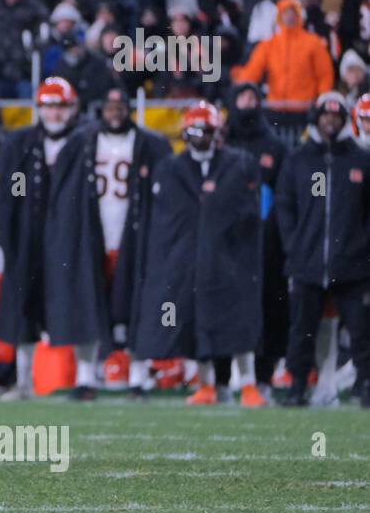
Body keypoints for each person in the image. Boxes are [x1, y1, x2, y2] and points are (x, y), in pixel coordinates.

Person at [133, 102, 266, 407]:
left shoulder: (238, 164)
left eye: (206, 131)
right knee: (196, 323)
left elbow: (247, 217)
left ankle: (248, 385)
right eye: (195, 131)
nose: (200, 137)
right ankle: (206, 384)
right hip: (191, 261)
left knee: (238, 322)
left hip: (230, 260)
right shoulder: (171, 169)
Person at [45, 87, 172, 400]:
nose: (114, 112)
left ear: (128, 108)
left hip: (134, 235)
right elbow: (61, 191)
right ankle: (86, 377)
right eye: (109, 106)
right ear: (100, 109)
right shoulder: (80, 143)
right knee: (87, 304)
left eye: (119, 105)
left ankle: (138, 377)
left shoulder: (151, 144)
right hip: (93, 233)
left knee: (138, 307)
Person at [273, 92, 370, 407]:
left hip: (352, 263)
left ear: (345, 119)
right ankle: (298, 385)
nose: (331, 120)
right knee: (302, 330)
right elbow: (284, 207)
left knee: (362, 331)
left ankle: (365, 387)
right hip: (308, 260)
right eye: (326, 115)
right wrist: (294, 245)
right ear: (317, 118)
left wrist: (362, 248)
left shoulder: (360, 159)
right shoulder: (299, 158)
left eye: (337, 115)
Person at [0, 77, 80, 400]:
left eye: (59, 106)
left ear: (71, 108)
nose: (53, 113)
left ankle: (85, 379)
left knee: (78, 303)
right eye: (48, 105)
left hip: (71, 239)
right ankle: (24, 381)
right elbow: (9, 192)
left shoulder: (84, 142)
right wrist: (9, 233)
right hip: (29, 236)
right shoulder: (22, 144)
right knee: (22, 307)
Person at [222, 82, 290, 400]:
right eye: (242, 97)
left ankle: (262, 374)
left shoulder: (274, 146)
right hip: (225, 241)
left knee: (266, 305)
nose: (248, 103)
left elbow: (285, 196)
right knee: (226, 307)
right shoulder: (222, 142)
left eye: (253, 97)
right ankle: (223, 376)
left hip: (265, 243)